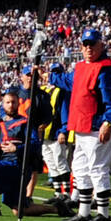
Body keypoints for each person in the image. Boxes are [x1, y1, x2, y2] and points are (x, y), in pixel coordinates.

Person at [44, 27, 111, 221]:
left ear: (101, 45)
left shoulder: (107, 67)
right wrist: (49, 73)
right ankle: (84, 211)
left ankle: (104, 214)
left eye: (92, 44)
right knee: (80, 169)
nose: (88, 48)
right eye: (85, 44)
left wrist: (108, 121)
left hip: (96, 126)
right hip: (81, 126)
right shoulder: (81, 67)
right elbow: (67, 82)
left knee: (97, 169)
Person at [0, 87, 69, 219]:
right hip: (6, 163)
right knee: (19, 209)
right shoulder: (1, 124)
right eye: (8, 102)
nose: (11, 105)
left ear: (18, 104)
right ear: (3, 104)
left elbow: (35, 144)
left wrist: (17, 148)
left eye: (13, 102)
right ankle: (57, 208)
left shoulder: (26, 123)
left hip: (19, 165)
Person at [38, 61, 72, 207]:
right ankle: (58, 192)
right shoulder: (47, 90)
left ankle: (66, 194)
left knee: (60, 162)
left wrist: (64, 130)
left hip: (56, 131)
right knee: (51, 163)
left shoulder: (63, 91)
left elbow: (65, 111)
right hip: (46, 133)